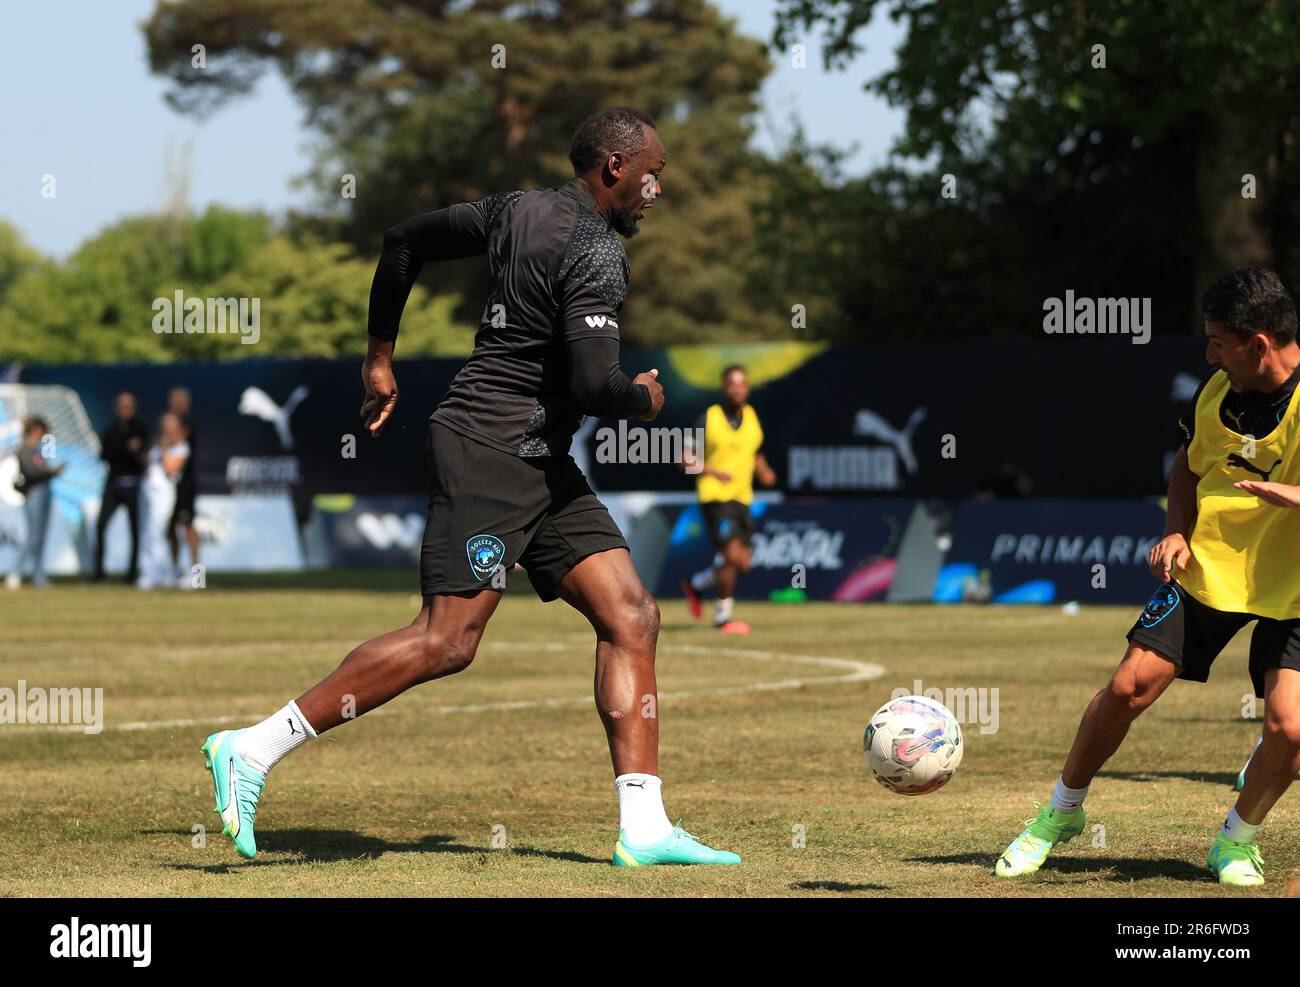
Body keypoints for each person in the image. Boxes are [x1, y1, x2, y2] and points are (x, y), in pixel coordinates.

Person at [201, 107, 741, 867]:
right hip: (493, 451)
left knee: (631, 614)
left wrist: (378, 357)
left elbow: (404, 242)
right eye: (651, 172)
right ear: (613, 166)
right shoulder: (596, 249)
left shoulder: (517, 209)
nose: (658, 188)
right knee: (447, 640)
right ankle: (251, 748)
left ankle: (644, 825)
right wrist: (646, 398)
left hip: (535, 458)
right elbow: (596, 384)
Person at [996, 266, 1300, 886]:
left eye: (1218, 340)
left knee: (1290, 730)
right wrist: (1174, 531)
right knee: (1128, 688)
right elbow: (1186, 472)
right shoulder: (1215, 391)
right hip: (1209, 568)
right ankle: (1058, 815)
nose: (1208, 351)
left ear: (1258, 343)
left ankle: (1236, 841)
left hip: (1294, 588)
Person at [680, 365, 777, 634]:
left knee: (743, 563)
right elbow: (684, 459)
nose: (737, 388)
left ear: (747, 388)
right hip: (715, 497)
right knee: (731, 555)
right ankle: (723, 617)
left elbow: (754, 451)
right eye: (732, 384)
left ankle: (696, 583)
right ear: (724, 388)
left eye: (741, 383)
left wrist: (764, 471)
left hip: (743, 499)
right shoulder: (708, 419)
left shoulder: (753, 417)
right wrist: (713, 471)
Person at [93, 391, 148, 583]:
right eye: (122, 406)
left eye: (129, 406)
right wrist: (127, 449)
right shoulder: (111, 429)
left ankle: (132, 573)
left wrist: (133, 451)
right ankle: (98, 572)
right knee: (100, 526)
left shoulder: (140, 429)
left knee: (135, 530)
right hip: (113, 484)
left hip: (132, 484)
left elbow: (143, 457)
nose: (126, 410)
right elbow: (105, 454)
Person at [7, 417, 63, 589]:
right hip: (34, 494)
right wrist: (50, 473)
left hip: (45, 492)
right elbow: (32, 473)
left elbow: (43, 467)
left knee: (41, 537)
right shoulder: (24, 449)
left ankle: (38, 574)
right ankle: (15, 571)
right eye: (40, 430)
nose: (43, 434)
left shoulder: (40, 450)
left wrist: (50, 471)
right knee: (32, 536)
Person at [137, 412, 190, 591]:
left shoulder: (181, 447)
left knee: (157, 531)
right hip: (148, 488)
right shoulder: (157, 445)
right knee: (145, 531)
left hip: (164, 492)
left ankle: (163, 572)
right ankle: (147, 572)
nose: (167, 428)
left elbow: (169, 469)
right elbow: (147, 463)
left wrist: (165, 449)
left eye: (170, 425)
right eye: (164, 424)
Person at [166, 387, 200, 586]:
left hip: (186, 485)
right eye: (175, 401)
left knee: (189, 528)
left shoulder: (188, 427)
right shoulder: (167, 426)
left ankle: (197, 576)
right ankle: (174, 571)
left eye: (181, 401)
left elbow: (176, 443)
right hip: (168, 488)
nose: (178, 405)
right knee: (170, 530)